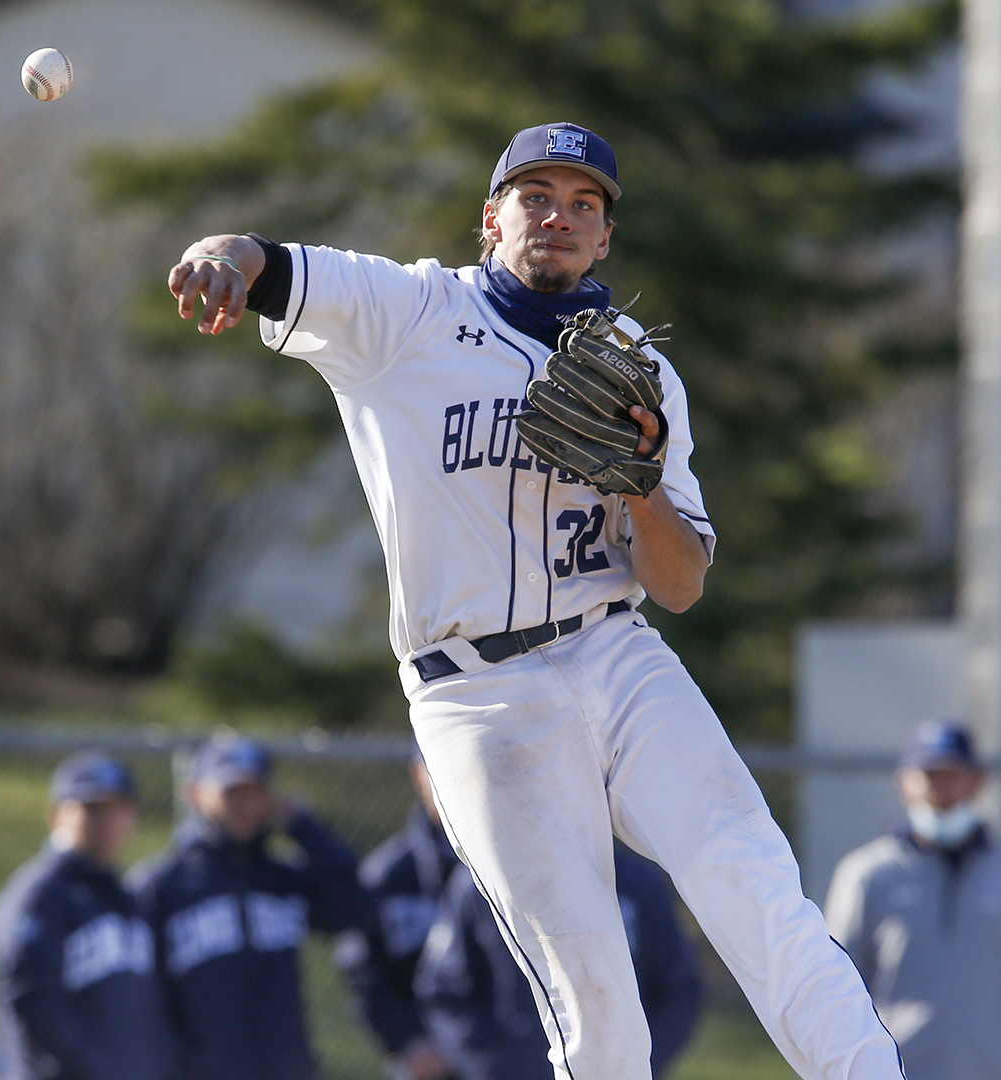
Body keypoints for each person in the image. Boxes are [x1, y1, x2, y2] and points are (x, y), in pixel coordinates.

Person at [167, 122, 904, 1080]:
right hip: (478, 694)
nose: (558, 217)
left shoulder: (639, 366)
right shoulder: (409, 313)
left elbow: (679, 586)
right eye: (536, 197)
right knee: (596, 1003)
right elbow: (270, 263)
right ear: (492, 220)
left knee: (756, 887)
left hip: (616, 650)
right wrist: (217, 254)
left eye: (584, 204)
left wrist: (637, 482)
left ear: (604, 240)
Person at [824, 719, 1001, 1080]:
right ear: (902, 783)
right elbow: (837, 982)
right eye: (929, 774)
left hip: (995, 1068)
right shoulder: (867, 874)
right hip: (897, 1069)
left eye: (953, 774)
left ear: (977, 780)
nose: (941, 787)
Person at [132, 735, 368, 1080]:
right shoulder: (160, 887)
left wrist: (304, 827)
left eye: (255, 791)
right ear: (194, 794)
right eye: (231, 792)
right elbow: (137, 1001)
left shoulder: (283, 878)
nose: (244, 804)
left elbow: (355, 909)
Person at [415, 844, 704, 1080]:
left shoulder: (640, 884)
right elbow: (445, 992)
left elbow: (678, 988)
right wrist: (495, 1066)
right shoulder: (483, 883)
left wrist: (639, 1062)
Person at [0, 752, 171, 1080]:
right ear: (57, 815)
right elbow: (31, 1000)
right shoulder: (39, 895)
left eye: (118, 809)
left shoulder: (125, 898)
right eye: (92, 809)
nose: (107, 821)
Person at [340, 753, 465, 1080]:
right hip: (429, 1064)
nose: (451, 779)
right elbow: (364, 974)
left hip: (517, 1055)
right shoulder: (386, 875)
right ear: (417, 773)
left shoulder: (521, 868)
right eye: (437, 766)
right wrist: (407, 1040)